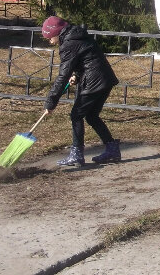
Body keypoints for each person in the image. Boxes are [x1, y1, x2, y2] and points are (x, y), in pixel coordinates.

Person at [42, 16, 121, 167]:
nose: (49, 40)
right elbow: (87, 58)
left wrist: (51, 101)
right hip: (105, 79)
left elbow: (62, 75)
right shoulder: (78, 35)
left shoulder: (69, 44)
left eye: (49, 36)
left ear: (56, 32)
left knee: (76, 115)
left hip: (94, 82)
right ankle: (112, 149)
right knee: (91, 116)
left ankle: (76, 154)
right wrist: (77, 75)